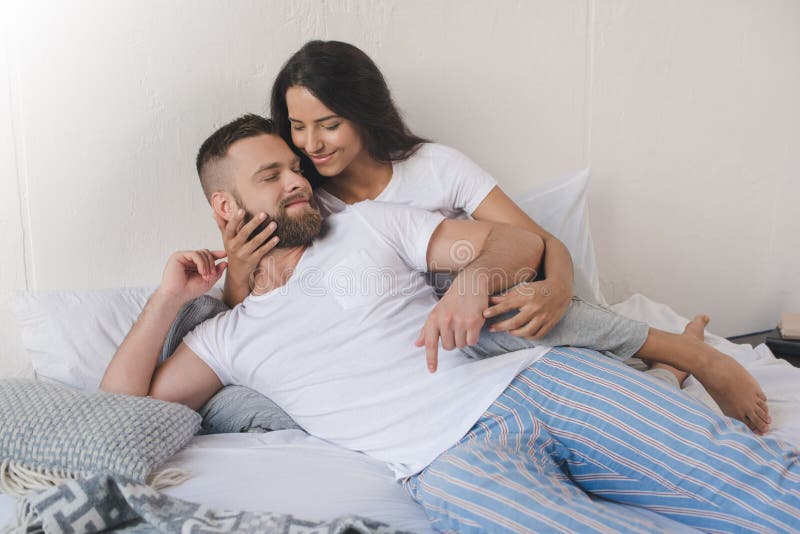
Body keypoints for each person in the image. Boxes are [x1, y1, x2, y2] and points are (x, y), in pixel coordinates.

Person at [101, 116, 800, 533]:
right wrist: (168, 299)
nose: (297, 181)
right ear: (224, 208)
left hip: (537, 383)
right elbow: (125, 410)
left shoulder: (368, 227)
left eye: (295, 167)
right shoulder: (225, 336)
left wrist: (471, 282)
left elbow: (517, 245)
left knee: (756, 487)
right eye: (270, 176)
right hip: (447, 466)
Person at [214, 40, 769, 432]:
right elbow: (263, 314)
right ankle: (671, 368)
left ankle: (694, 357)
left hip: (491, 303)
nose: (311, 143)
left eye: (329, 123)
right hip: (408, 347)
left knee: (481, 294)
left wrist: (554, 289)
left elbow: (538, 241)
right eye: (296, 125)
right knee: (626, 399)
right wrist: (238, 269)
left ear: (363, 115)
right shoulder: (299, 195)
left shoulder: (433, 166)